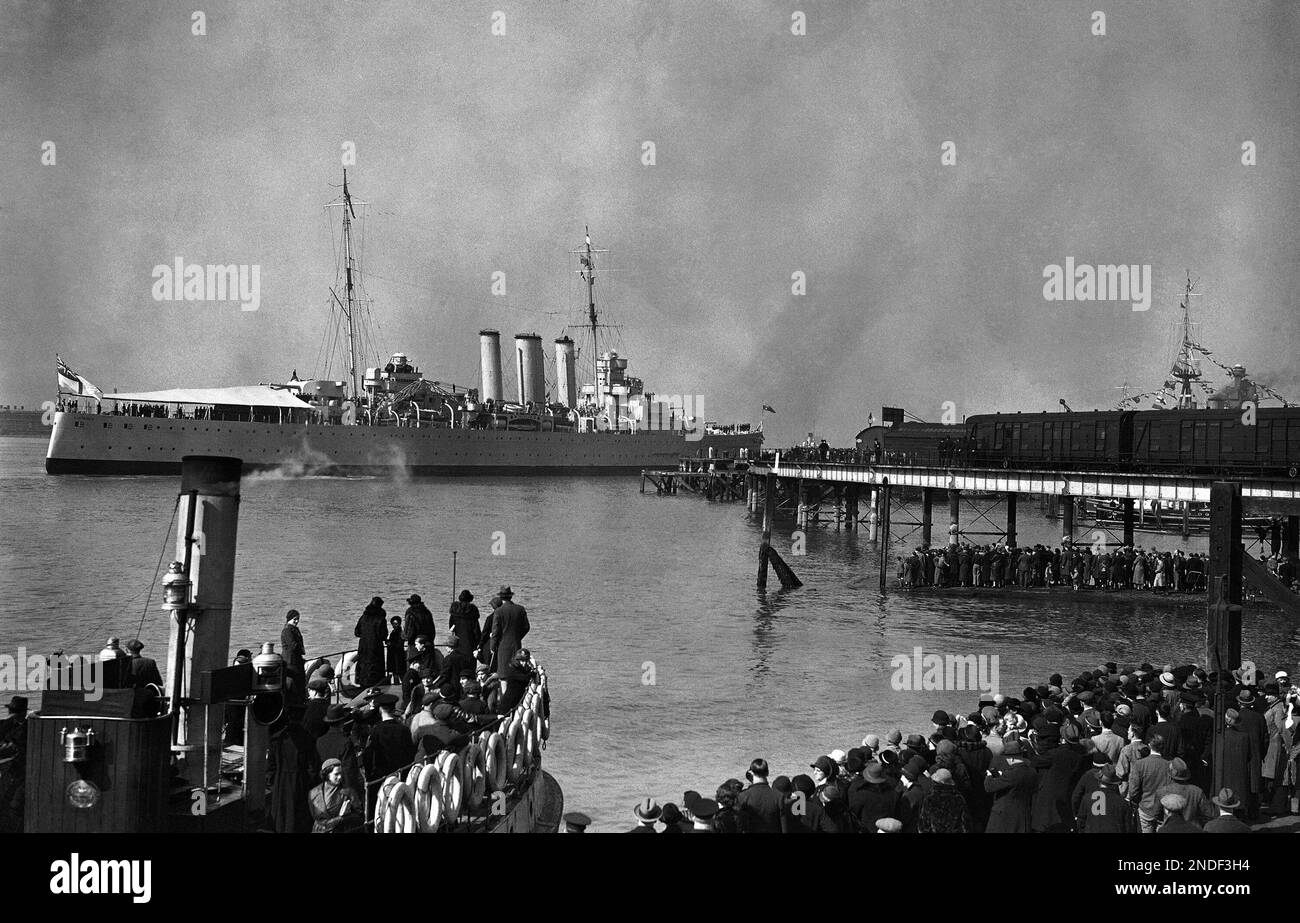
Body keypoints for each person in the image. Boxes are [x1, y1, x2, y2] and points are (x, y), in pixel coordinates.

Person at [266, 705, 320, 834]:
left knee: (281, 819)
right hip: (300, 784)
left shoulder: (277, 739)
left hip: (281, 785)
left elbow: (270, 767)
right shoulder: (308, 739)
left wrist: (274, 783)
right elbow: (313, 768)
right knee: (298, 820)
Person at [984, 739, 1037, 833]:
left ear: (1011, 758)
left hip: (1005, 815)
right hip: (1024, 814)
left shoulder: (1011, 774)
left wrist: (989, 776)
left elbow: (989, 787)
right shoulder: (1032, 771)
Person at [309, 758, 363, 833]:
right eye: (336, 774)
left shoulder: (348, 792)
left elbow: (359, 816)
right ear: (327, 774)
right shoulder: (314, 793)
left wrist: (344, 817)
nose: (340, 777)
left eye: (341, 773)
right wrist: (338, 819)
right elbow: (317, 818)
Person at [0, 696, 28, 833]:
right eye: (11, 710)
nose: (11, 714)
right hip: (8, 773)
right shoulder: (7, 724)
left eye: (14, 711)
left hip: (23, 774)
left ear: (23, 713)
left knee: (15, 807)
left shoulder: (29, 728)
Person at [736, 758, 785, 832]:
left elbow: (740, 826)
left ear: (751, 773)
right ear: (767, 773)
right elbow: (784, 827)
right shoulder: (779, 796)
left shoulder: (742, 796)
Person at [489, 586, 530, 674]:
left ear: (500, 597)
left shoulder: (499, 611)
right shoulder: (520, 609)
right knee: (516, 670)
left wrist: (492, 646)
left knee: (503, 672)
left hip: (502, 646)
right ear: (511, 596)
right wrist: (518, 637)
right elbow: (526, 627)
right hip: (516, 644)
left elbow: (495, 631)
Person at [353, 597, 388, 689]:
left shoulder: (363, 617)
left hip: (363, 646)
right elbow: (383, 635)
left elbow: (357, 632)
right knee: (375, 670)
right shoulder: (381, 619)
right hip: (376, 647)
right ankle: (375, 688)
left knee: (363, 667)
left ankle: (362, 685)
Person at [281, 610, 307, 702]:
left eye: (298, 619)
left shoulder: (294, 629)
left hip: (297, 660)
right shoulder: (287, 630)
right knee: (295, 682)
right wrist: (302, 650)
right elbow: (293, 646)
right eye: (295, 619)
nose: (297, 621)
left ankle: (301, 699)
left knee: (300, 681)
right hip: (291, 661)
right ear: (289, 619)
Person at [402, 594, 435, 661]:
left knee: (414, 666)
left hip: (414, 644)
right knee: (427, 666)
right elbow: (432, 630)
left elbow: (408, 632)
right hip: (428, 642)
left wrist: (403, 636)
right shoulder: (427, 612)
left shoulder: (410, 612)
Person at [449, 590, 482, 657]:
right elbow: (477, 633)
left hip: (458, 645)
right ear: (470, 599)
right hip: (470, 646)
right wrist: (479, 644)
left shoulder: (454, 613)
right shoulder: (473, 614)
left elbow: (451, 628)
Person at [385, 616, 406, 682]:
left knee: (399, 673)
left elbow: (400, 643)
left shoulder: (401, 632)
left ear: (399, 623)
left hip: (398, 655)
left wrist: (390, 643)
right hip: (393, 655)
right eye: (393, 624)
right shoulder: (393, 632)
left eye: (396, 623)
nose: (394, 625)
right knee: (395, 672)